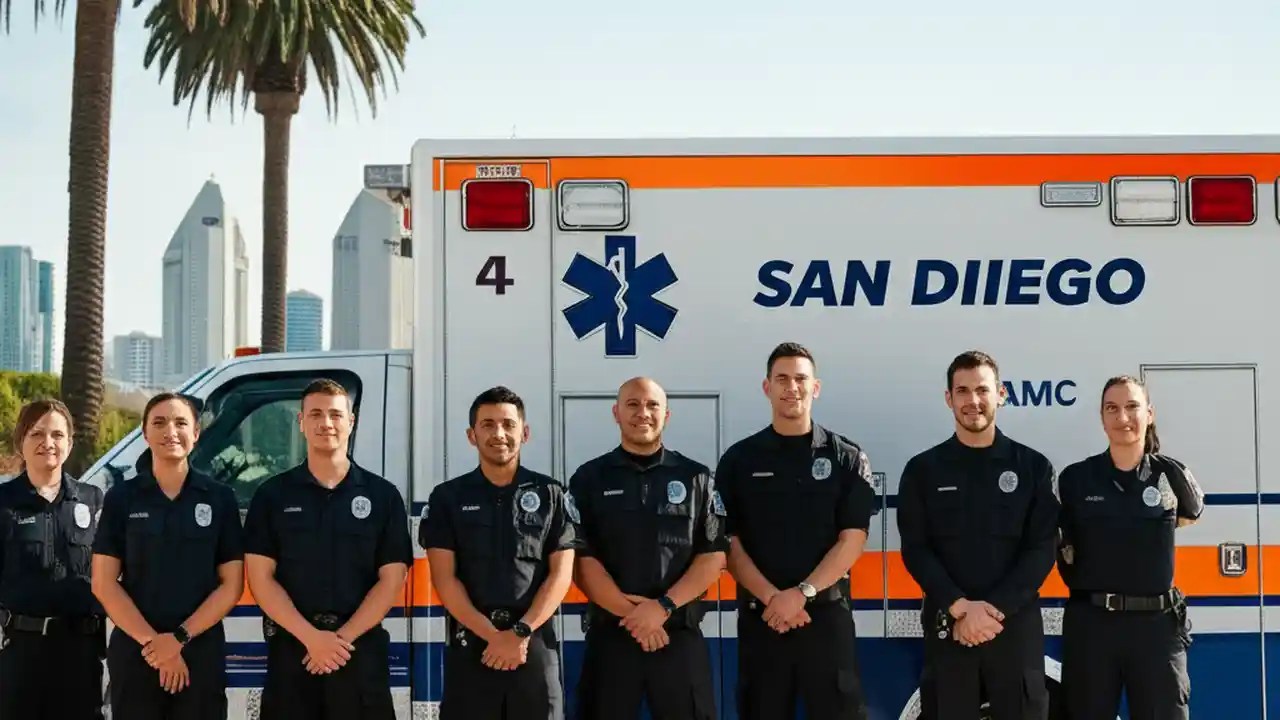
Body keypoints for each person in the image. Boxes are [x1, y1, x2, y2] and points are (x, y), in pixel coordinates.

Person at [714, 342, 879, 720]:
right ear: (766, 387)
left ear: (815, 387)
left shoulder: (846, 457)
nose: (792, 387)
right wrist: (775, 598)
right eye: (782, 378)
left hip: (826, 619)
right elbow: (729, 542)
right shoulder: (739, 461)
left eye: (801, 379)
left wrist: (801, 594)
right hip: (763, 620)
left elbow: (852, 539)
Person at [896, 350, 1059, 720]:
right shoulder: (923, 470)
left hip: (1014, 629)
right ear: (948, 398)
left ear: (1000, 394)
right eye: (963, 391)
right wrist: (959, 607)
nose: (973, 401)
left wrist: (993, 611)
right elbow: (916, 549)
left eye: (982, 390)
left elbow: (1042, 549)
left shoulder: (1033, 467)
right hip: (949, 629)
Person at [243, 378, 413, 720]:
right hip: (293, 653)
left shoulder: (383, 496)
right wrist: (311, 639)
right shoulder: (272, 496)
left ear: (352, 421)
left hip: (358, 653)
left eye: (336, 415)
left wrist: (338, 641)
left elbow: (392, 580)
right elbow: (260, 579)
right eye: (316, 414)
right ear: (301, 423)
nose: (326, 423)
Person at [569, 377, 727, 720]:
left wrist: (663, 608)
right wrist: (636, 616)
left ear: (666, 415)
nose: (643, 413)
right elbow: (582, 560)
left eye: (652, 405)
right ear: (616, 413)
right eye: (632, 404)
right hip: (613, 639)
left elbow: (713, 556)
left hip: (677, 638)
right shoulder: (589, 479)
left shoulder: (696, 478)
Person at [419, 386, 579, 720]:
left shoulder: (551, 494)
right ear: (471, 435)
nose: (499, 434)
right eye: (488, 424)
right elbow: (444, 579)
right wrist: (494, 637)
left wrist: (518, 634)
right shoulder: (447, 498)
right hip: (473, 643)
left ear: (525, 432)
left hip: (532, 644)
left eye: (508, 424)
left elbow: (561, 574)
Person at [1055, 375, 1203, 719]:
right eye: (1112, 408)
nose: (1123, 417)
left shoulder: (1172, 476)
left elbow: (1192, 512)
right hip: (1093, 627)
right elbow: (1061, 547)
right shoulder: (1076, 479)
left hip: (1157, 628)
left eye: (1132, 406)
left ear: (1149, 413)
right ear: (1102, 418)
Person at [91, 392, 245, 719]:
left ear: (196, 433)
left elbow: (231, 586)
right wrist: (155, 646)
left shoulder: (220, 499)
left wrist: (178, 639)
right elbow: (104, 583)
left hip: (199, 653)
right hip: (137, 654)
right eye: (159, 423)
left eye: (180, 423)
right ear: (145, 434)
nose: (170, 431)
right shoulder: (122, 498)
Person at [0, 399, 106, 719]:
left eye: (58, 435)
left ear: (70, 444)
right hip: (19, 652)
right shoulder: (3, 503)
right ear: (21, 442)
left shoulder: (93, 500)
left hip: (81, 653)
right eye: (37, 434)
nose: (48, 443)